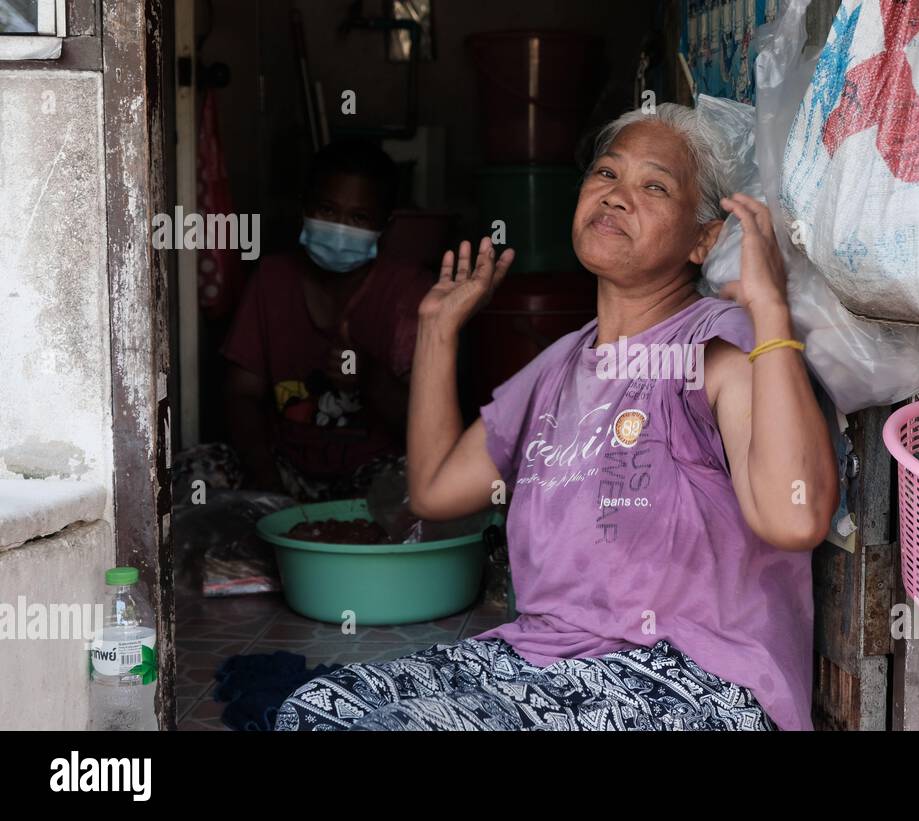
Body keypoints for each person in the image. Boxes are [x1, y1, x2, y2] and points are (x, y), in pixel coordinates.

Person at [275, 104, 838, 731]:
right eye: (605, 174)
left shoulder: (719, 344)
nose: (618, 196)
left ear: (703, 238)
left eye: (654, 186)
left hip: (690, 682)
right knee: (316, 710)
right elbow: (434, 491)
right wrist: (438, 330)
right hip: (542, 661)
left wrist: (770, 312)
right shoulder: (559, 366)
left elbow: (795, 517)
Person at [217, 139, 430, 502]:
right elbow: (241, 394)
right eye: (328, 211)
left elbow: (428, 426)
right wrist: (266, 477)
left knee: (420, 497)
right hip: (282, 466)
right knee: (192, 474)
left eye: (358, 218)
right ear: (305, 209)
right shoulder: (272, 279)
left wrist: (368, 378)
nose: (340, 228)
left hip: (375, 472)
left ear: (385, 225)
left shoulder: (409, 293)